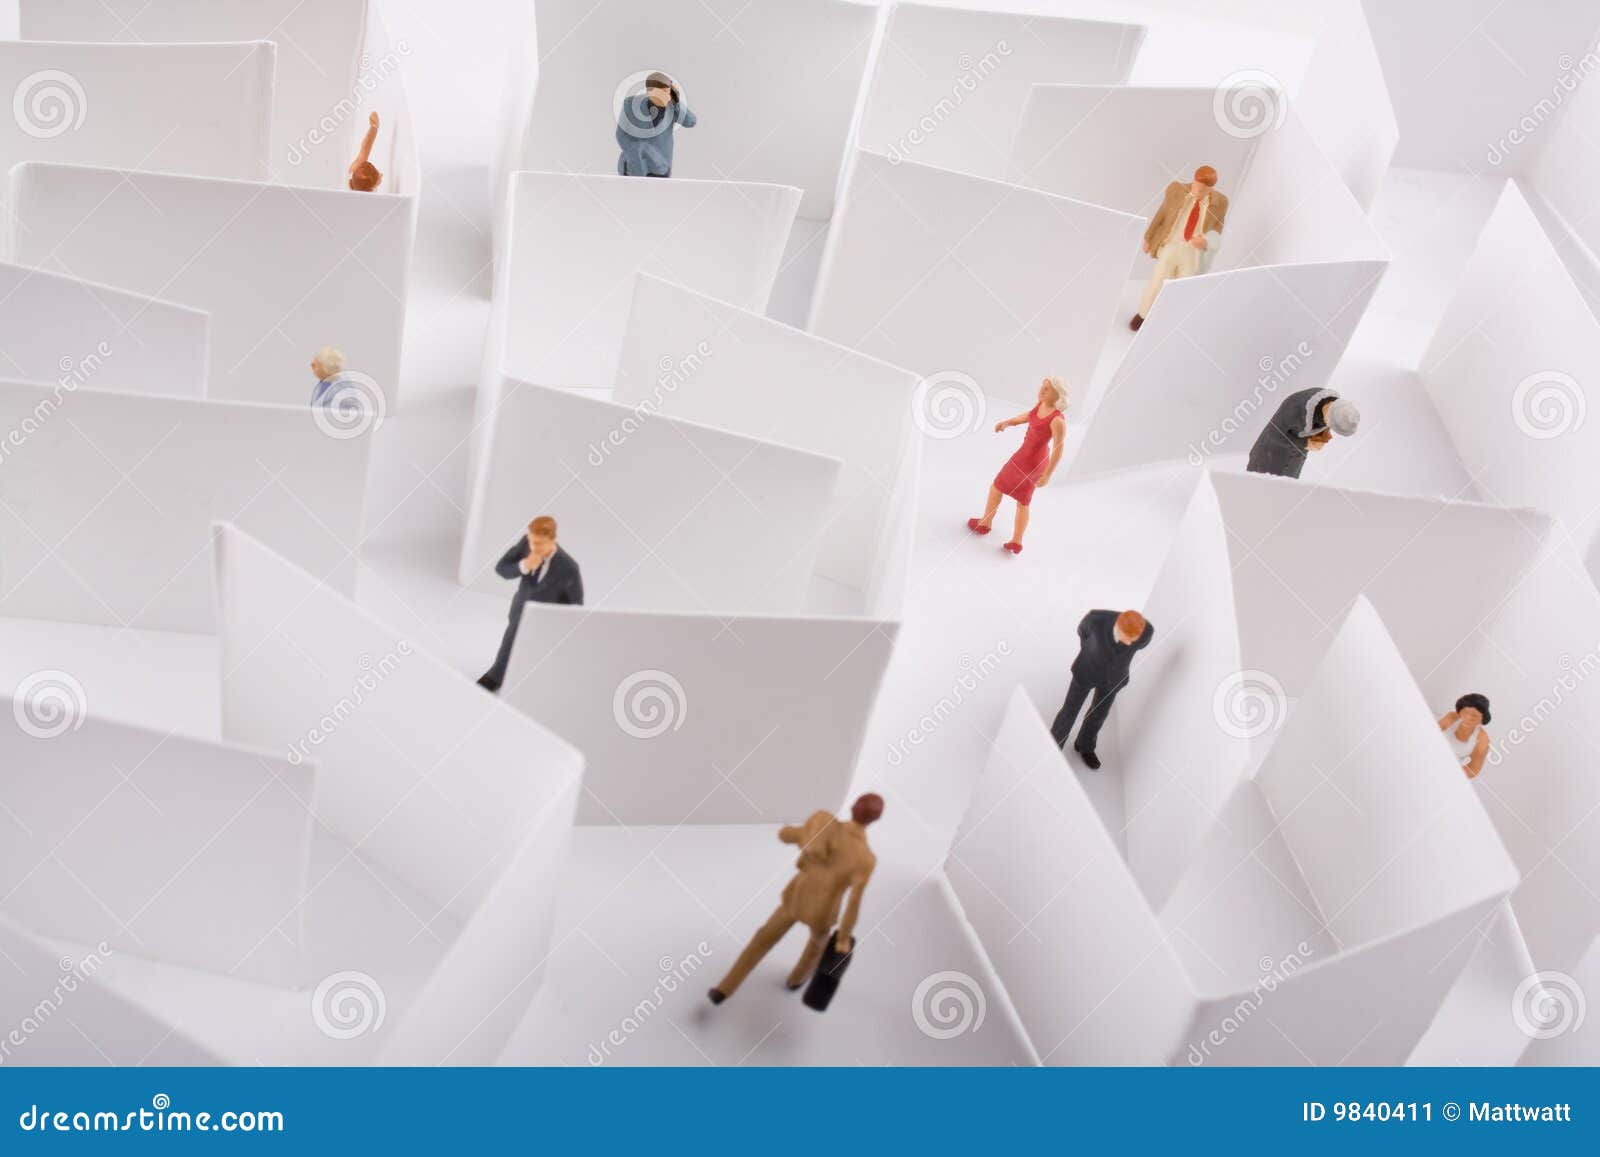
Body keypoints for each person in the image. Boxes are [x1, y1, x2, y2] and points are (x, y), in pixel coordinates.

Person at [708, 793, 882, 1005]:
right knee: (815, 948)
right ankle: (796, 980)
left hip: (796, 899)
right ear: (875, 820)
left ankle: (724, 989)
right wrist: (844, 937)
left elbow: (785, 835)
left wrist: (798, 832)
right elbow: (854, 903)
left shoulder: (825, 826)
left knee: (761, 940)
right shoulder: (866, 859)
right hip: (823, 914)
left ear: (853, 808)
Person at [477, 516, 583, 693]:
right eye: (531, 541)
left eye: (539, 543)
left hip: (545, 621)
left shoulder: (569, 567)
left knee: (537, 654)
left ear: (552, 540)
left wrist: (558, 622)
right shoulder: (527, 544)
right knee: (509, 644)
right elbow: (501, 568)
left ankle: (533, 684)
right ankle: (496, 676)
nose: (533, 547)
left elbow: (575, 605)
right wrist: (523, 566)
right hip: (520, 612)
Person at [966, 377, 1066, 555]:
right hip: (1021, 457)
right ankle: (985, 523)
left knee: (1023, 501)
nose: (1042, 391)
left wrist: (1047, 474)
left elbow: (1059, 448)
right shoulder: (1040, 405)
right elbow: (1027, 416)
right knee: (997, 486)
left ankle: (1016, 541)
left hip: (1035, 464)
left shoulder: (1057, 420)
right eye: (1042, 387)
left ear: (1057, 394)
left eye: (1047, 390)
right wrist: (1007, 422)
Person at [1051, 609, 1154, 770]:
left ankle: (1085, 745)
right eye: (1127, 638)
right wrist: (1089, 652)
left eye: (1133, 640)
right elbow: (1082, 631)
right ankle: (1054, 747)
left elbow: (1146, 633)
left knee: (1099, 714)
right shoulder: (1095, 621)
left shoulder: (1144, 632)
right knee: (1070, 711)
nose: (1129, 643)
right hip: (1086, 671)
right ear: (1118, 627)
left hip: (1112, 680)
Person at [1131, 165, 1228, 332]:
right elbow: (1160, 215)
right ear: (1194, 181)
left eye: (1204, 191)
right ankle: (1143, 315)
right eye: (1197, 187)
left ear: (1211, 189)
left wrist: (1204, 242)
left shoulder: (1220, 203)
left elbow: (1217, 231)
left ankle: (1170, 322)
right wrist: (1148, 237)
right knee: (1158, 281)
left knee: (1182, 287)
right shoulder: (1176, 190)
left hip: (1192, 252)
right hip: (1172, 245)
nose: (1198, 192)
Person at [1245, 387, 1360, 479]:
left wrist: (1318, 437)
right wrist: (1306, 443)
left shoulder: (1330, 406)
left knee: (1288, 482)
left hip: (1294, 457)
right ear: (1329, 414)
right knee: (1267, 483)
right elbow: (1276, 436)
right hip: (1270, 455)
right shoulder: (1294, 410)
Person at [616, 72, 697, 178]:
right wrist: (638, 151)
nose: (665, 97)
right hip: (634, 167)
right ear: (650, 92)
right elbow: (621, 135)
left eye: (667, 92)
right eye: (661, 93)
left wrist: (677, 102)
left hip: (661, 169)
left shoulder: (673, 107)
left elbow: (691, 122)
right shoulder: (630, 104)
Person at [1437, 693, 1492, 779]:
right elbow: (1430, 733)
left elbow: (1473, 769)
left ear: (1482, 719)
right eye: (1466, 712)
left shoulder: (1483, 740)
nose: (1468, 718)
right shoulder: (1451, 717)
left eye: (1474, 716)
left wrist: (1449, 772)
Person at [349, 111, 383, 192]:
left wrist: (374, 127)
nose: (382, 175)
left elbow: (365, 149)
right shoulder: (371, 197)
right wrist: (374, 127)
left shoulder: (352, 172)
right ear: (375, 184)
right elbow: (364, 150)